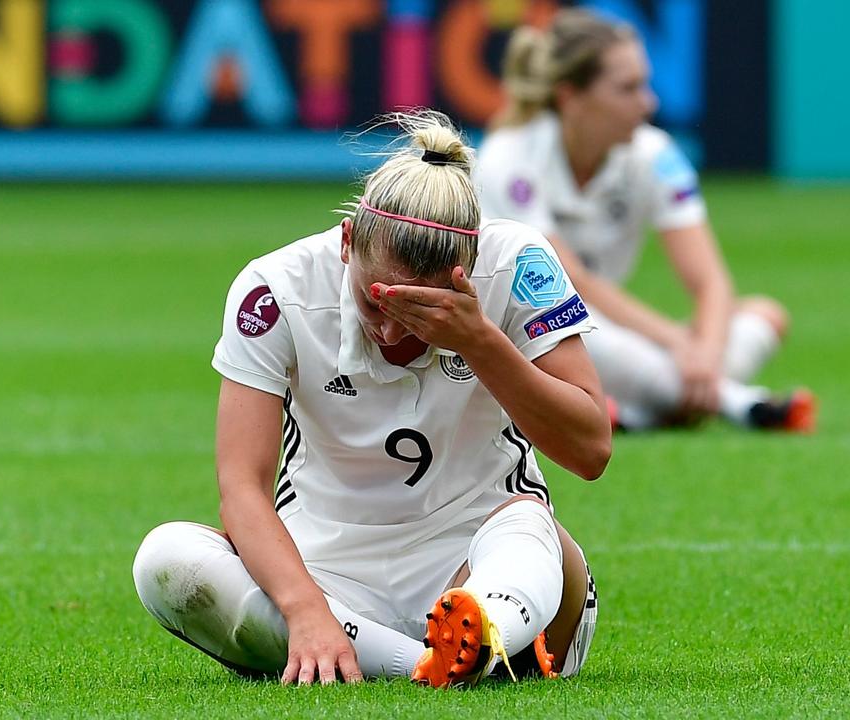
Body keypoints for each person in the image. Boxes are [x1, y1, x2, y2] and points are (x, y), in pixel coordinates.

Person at [132, 111, 610, 688]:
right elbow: (240, 489)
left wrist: (478, 340)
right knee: (165, 560)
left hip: (481, 556)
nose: (391, 333)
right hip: (327, 577)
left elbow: (590, 450)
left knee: (533, 531)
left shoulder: (518, 261)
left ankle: (480, 633)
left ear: (470, 270)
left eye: (419, 313)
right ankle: (429, 665)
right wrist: (306, 610)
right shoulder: (274, 289)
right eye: (375, 303)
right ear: (347, 240)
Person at [474, 9, 815, 432]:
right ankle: (744, 404)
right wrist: (675, 341)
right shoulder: (508, 156)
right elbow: (571, 282)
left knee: (765, 315)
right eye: (628, 89)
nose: (648, 102)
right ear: (570, 97)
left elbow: (710, 282)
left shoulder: (657, 154)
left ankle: (637, 412)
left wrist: (705, 352)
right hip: (528, 331)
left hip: (615, 333)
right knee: (576, 333)